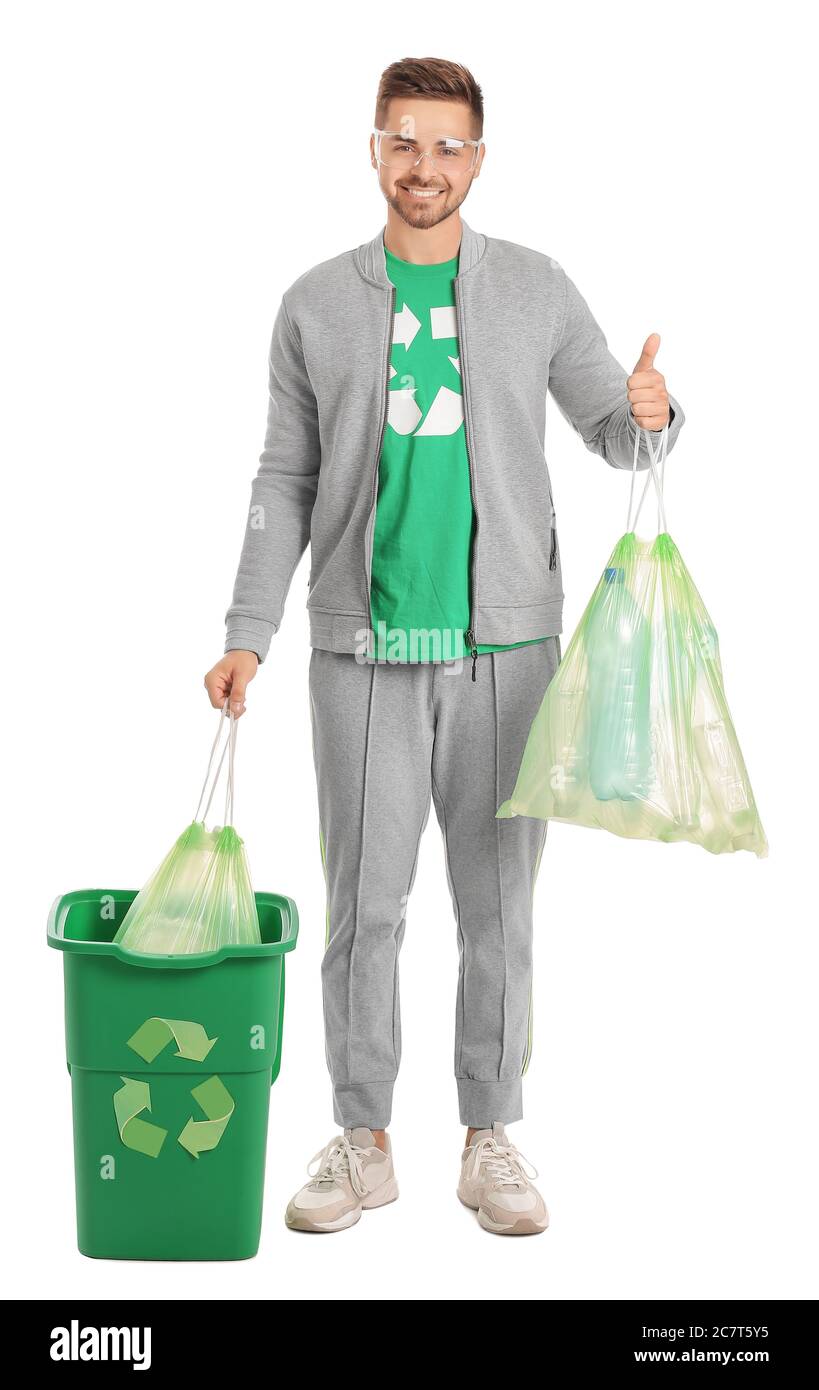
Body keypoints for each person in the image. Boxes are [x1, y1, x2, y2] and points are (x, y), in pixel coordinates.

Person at [204, 56, 684, 1236]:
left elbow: (619, 438)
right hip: (360, 653)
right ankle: (363, 1138)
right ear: (372, 148)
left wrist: (658, 413)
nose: (426, 166)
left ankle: (490, 1136)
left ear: (479, 158)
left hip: (508, 653)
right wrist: (248, 633)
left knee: (499, 910)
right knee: (364, 905)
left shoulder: (535, 288)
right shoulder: (315, 302)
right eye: (404, 141)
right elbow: (286, 474)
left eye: (449, 146)